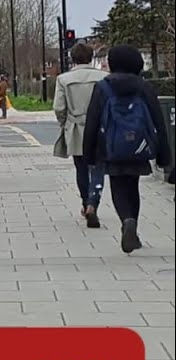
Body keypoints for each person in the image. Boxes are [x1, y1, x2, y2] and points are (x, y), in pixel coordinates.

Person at [82, 45, 171, 253]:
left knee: (118, 186)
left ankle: (126, 221)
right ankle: (133, 227)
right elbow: (158, 121)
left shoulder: (103, 87)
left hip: (111, 147)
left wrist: (89, 154)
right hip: (139, 145)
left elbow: (92, 121)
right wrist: (164, 154)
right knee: (133, 186)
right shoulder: (144, 87)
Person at [54, 42, 108, 227]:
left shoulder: (63, 79)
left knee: (81, 168)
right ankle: (94, 202)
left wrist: (65, 123)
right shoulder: (103, 78)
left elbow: (59, 107)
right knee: (98, 168)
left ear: (72, 58)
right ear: (91, 57)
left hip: (76, 127)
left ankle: (85, 202)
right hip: (99, 128)